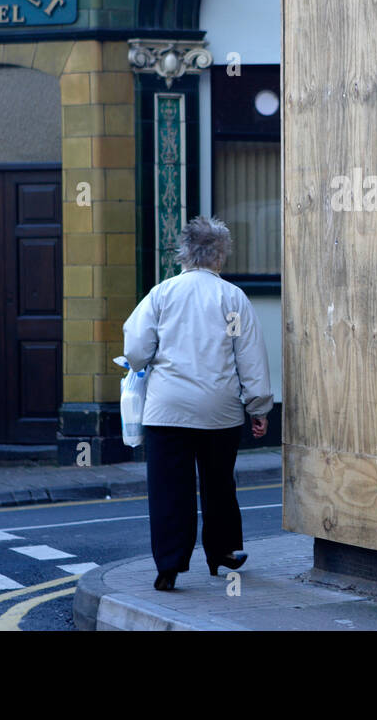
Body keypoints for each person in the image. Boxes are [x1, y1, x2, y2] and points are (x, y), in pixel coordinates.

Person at [121, 215, 273, 591]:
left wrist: (146, 361)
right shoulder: (232, 298)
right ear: (219, 256)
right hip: (218, 411)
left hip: (166, 409)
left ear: (184, 254)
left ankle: (169, 567)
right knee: (219, 484)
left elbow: (136, 350)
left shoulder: (162, 294)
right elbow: (249, 358)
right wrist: (258, 407)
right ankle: (223, 552)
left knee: (170, 489)